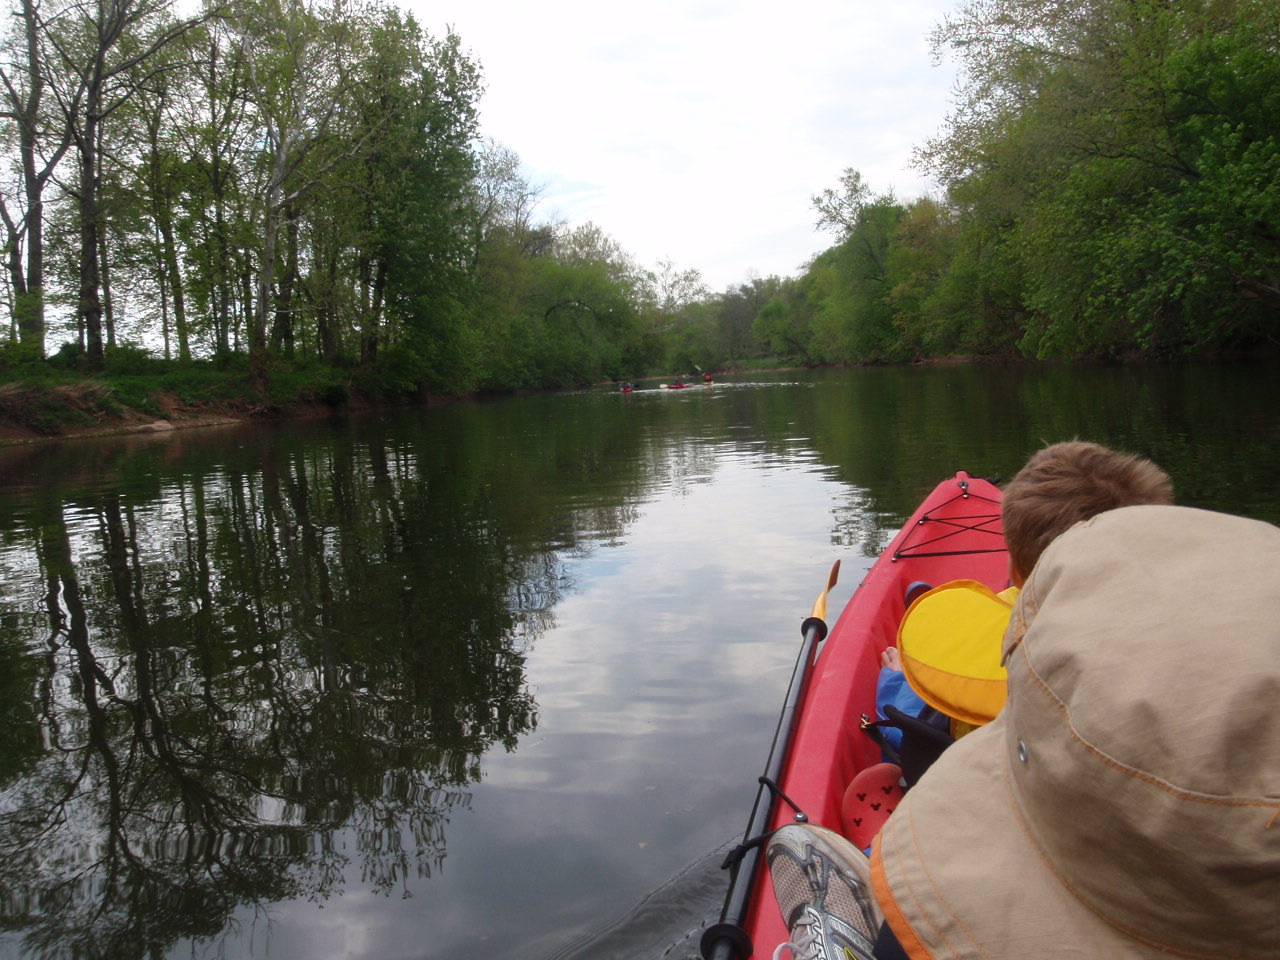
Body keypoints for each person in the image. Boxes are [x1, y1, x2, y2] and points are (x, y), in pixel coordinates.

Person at [770, 503, 1280, 960]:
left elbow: (910, 727)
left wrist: (896, 678)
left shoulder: (1037, 675)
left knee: (903, 906)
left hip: (953, 772)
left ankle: (851, 931)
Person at [875, 441, 1173, 740]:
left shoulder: (1012, 666)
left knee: (917, 712)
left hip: (983, 760)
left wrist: (896, 681)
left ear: (1014, 571)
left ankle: (906, 674)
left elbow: (921, 740)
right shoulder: (1173, 654)